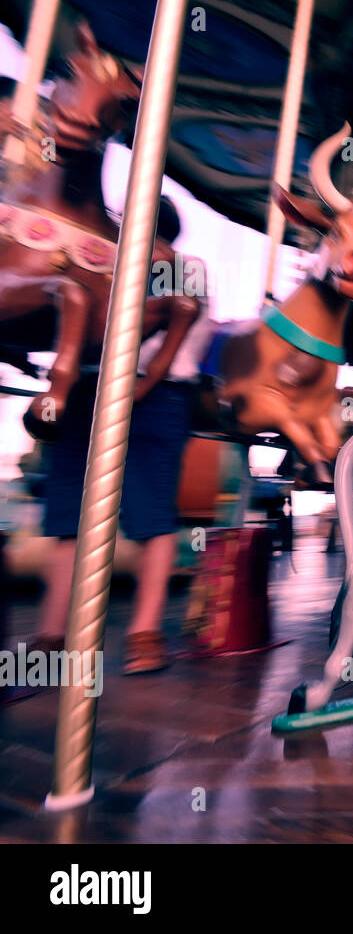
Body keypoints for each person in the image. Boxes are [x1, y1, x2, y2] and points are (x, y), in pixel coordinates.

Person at [29, 197, 208, 674]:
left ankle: (141, 631)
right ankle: (57, 632)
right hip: (90, 384)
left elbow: (177, 317)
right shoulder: (104, 261)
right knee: (70, 510)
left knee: (145, 511)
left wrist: (143, 385)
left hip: (156, 391)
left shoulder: (181, 267)